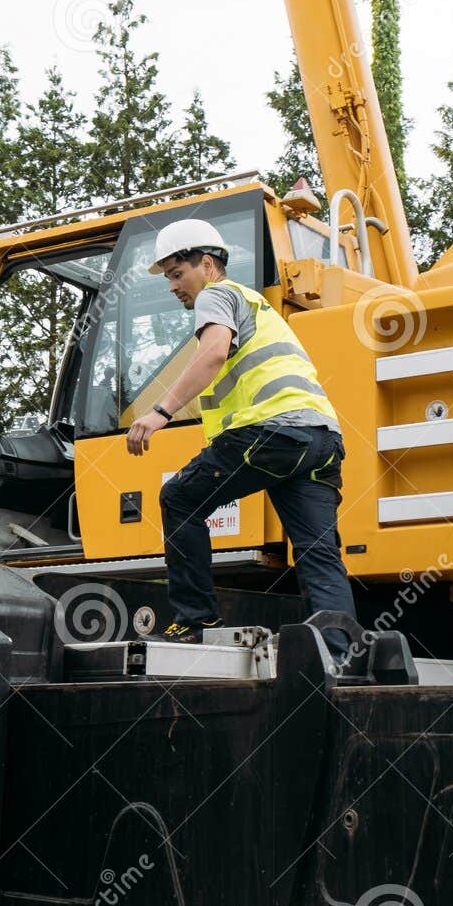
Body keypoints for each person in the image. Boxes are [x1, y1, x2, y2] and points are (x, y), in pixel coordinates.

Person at [126, 216, 356, 650]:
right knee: (318, 553)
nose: (173, 286)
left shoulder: (217, 295)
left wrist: (160, 412)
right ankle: (340, 656)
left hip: (269, 433)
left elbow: (213, 352)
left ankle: (195, 620)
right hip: (321, 440)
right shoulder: (258, 307)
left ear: (208, 264)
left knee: (179, 498)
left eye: (178, 274)